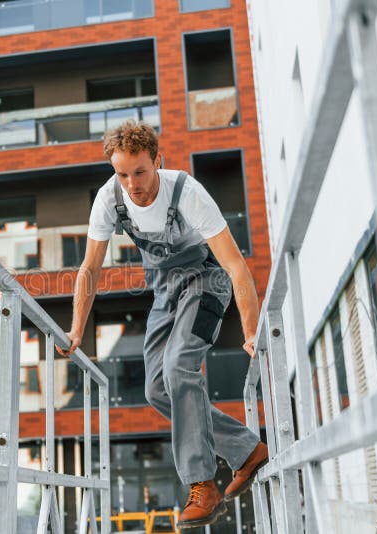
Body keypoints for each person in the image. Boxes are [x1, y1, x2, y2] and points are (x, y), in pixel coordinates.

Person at [57, 120, 268, 528]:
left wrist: (250, 331)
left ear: (158, 161)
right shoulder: (109, 199)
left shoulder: (186, 192)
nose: (132, 184)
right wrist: (76, 330)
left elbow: (236, 267)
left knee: (178, 369)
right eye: (122, 174)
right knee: (156, 389)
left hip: (206, 283)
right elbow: (89, 269)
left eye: (140, 171)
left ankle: (201, 484)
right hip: (164, 294)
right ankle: (246, 450)